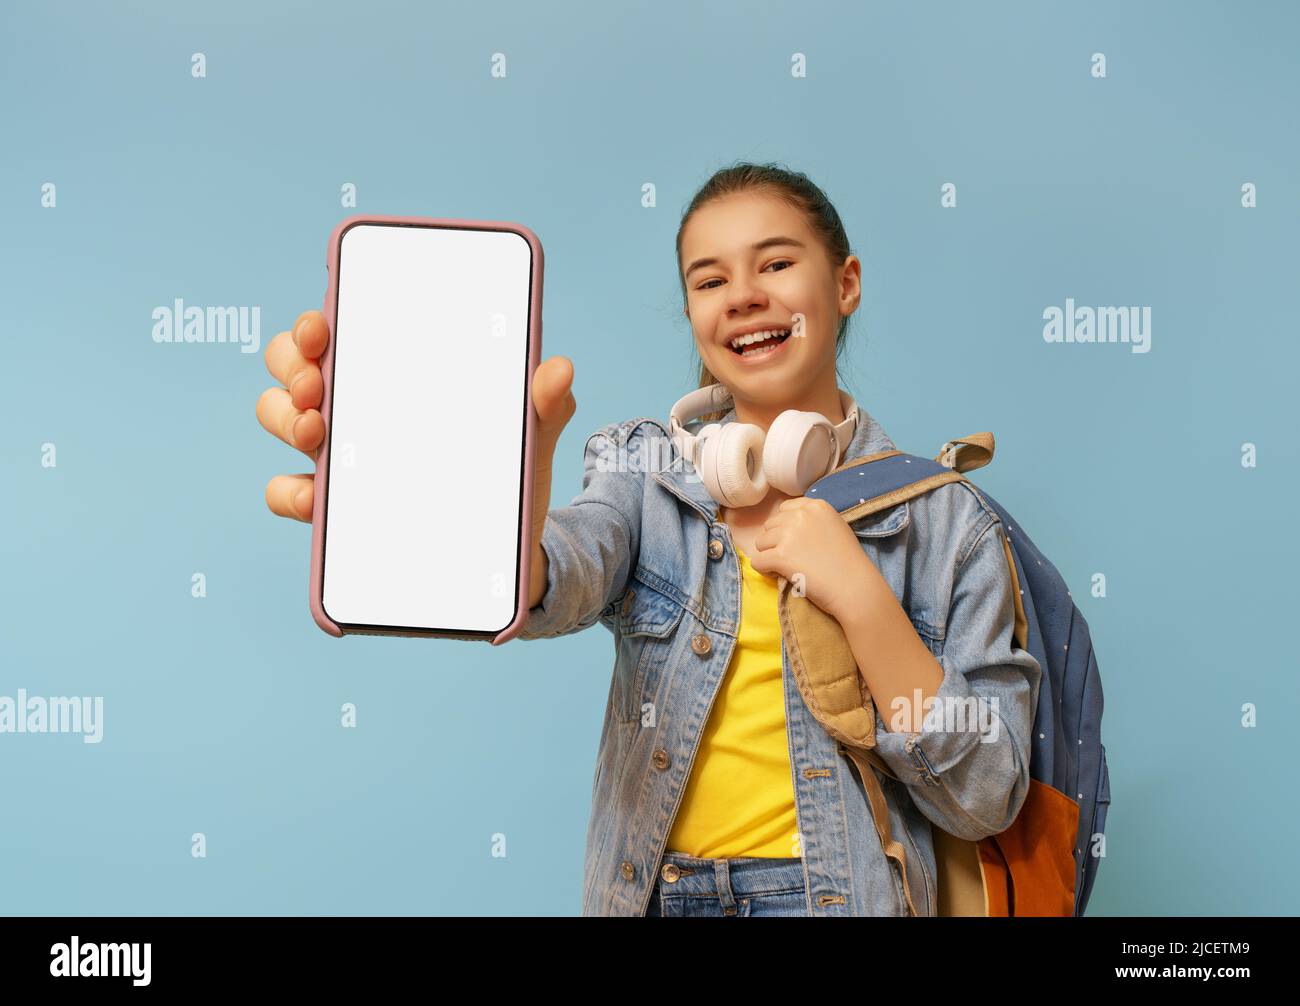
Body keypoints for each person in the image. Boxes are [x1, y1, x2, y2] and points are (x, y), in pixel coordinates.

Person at [257, 162, 1041, 917]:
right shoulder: (644, 474)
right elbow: (548, 581)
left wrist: (864, 599)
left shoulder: (947, 523)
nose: (743, 296)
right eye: (709, 280)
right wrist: (475, 501)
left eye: (775, 263)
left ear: (846, 284)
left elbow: (986, 794)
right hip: (654, 896)